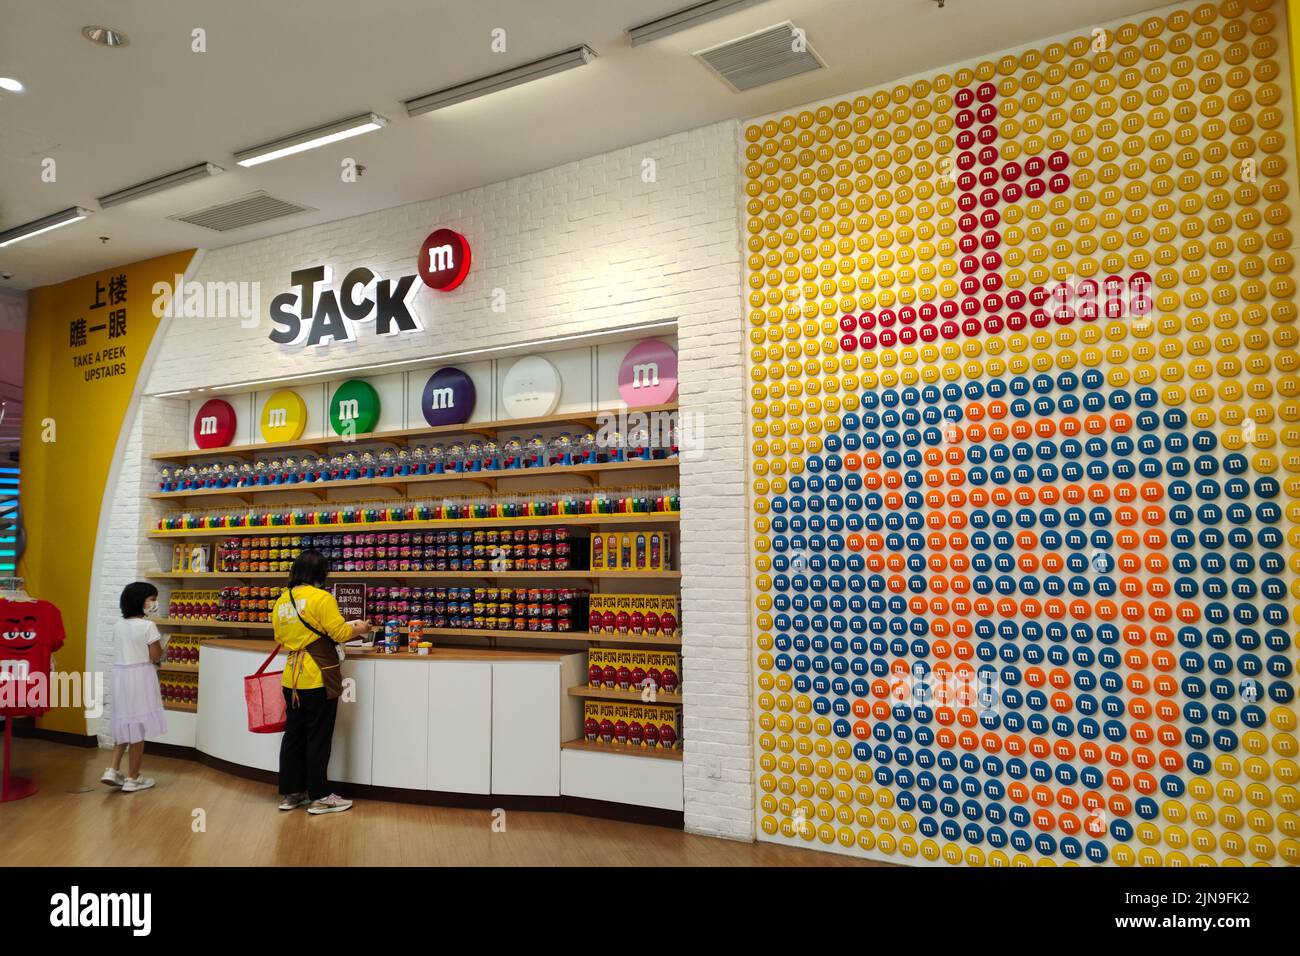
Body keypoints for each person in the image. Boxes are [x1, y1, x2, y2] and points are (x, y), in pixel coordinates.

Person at [274, 549, 371, 814]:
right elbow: (339, 633)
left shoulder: (283, 599)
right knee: (318, 736)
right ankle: (320, 796)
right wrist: (360, 628)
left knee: (293, 735)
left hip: (291, 677)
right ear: (320, 573)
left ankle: (292, 793)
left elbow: (280, 638)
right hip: (317, 675)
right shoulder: (322, 597)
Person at [102, 582, 166, 793]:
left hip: (121, 675)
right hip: (141, 676)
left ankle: (112, 768)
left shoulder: (118, 626)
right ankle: (133, 777)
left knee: (124, 723)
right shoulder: (148, 626)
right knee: (138, 727)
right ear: (140, 601)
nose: (154, 604)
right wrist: (162, 648)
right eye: (152, 599)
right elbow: (155, 656)